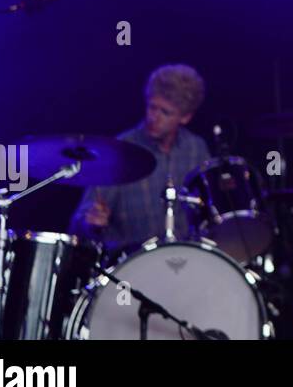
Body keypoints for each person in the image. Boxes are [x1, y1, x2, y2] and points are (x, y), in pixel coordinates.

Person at [69, 64, 212, 252]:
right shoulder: (121, 150)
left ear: (185, 117)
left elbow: (209, 212)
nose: (154, 117)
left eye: (165, 112)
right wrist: (92, 222)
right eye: (152, 107)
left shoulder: (196, 148)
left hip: (183, 259)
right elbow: (78, 224)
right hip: (130, 265)